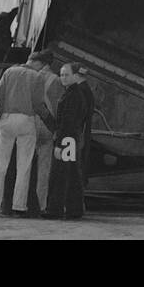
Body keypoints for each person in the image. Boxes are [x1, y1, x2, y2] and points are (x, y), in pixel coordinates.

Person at [0, 50, 57, 217]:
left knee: (0, 165)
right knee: (24, 167)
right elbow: (39, 105)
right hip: (27, 121)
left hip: (7, 119)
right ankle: (19, 206)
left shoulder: (9, 72)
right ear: (39, 64)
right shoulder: (37, 77)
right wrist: (52, 124)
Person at [46, 62, 94, 219]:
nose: (63, 78)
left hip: (67, 140)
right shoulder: (74, 93)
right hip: (70, 139)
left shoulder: (73, 95)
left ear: (75, 76)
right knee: (71, 174)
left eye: (66, 75)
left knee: (61, 175)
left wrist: (60, 144)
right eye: (61, 75)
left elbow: (68, 121)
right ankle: (73, 210)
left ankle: (56, 210)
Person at [32, 51, 64, 212]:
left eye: (33, 61)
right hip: (46, 127)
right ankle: (42, 205)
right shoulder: (55, 80)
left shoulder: (29, 77)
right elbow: (58, 108)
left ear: (42, 63)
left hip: (29, 124)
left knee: (24, 166)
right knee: (44, 167)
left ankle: (23, 203)